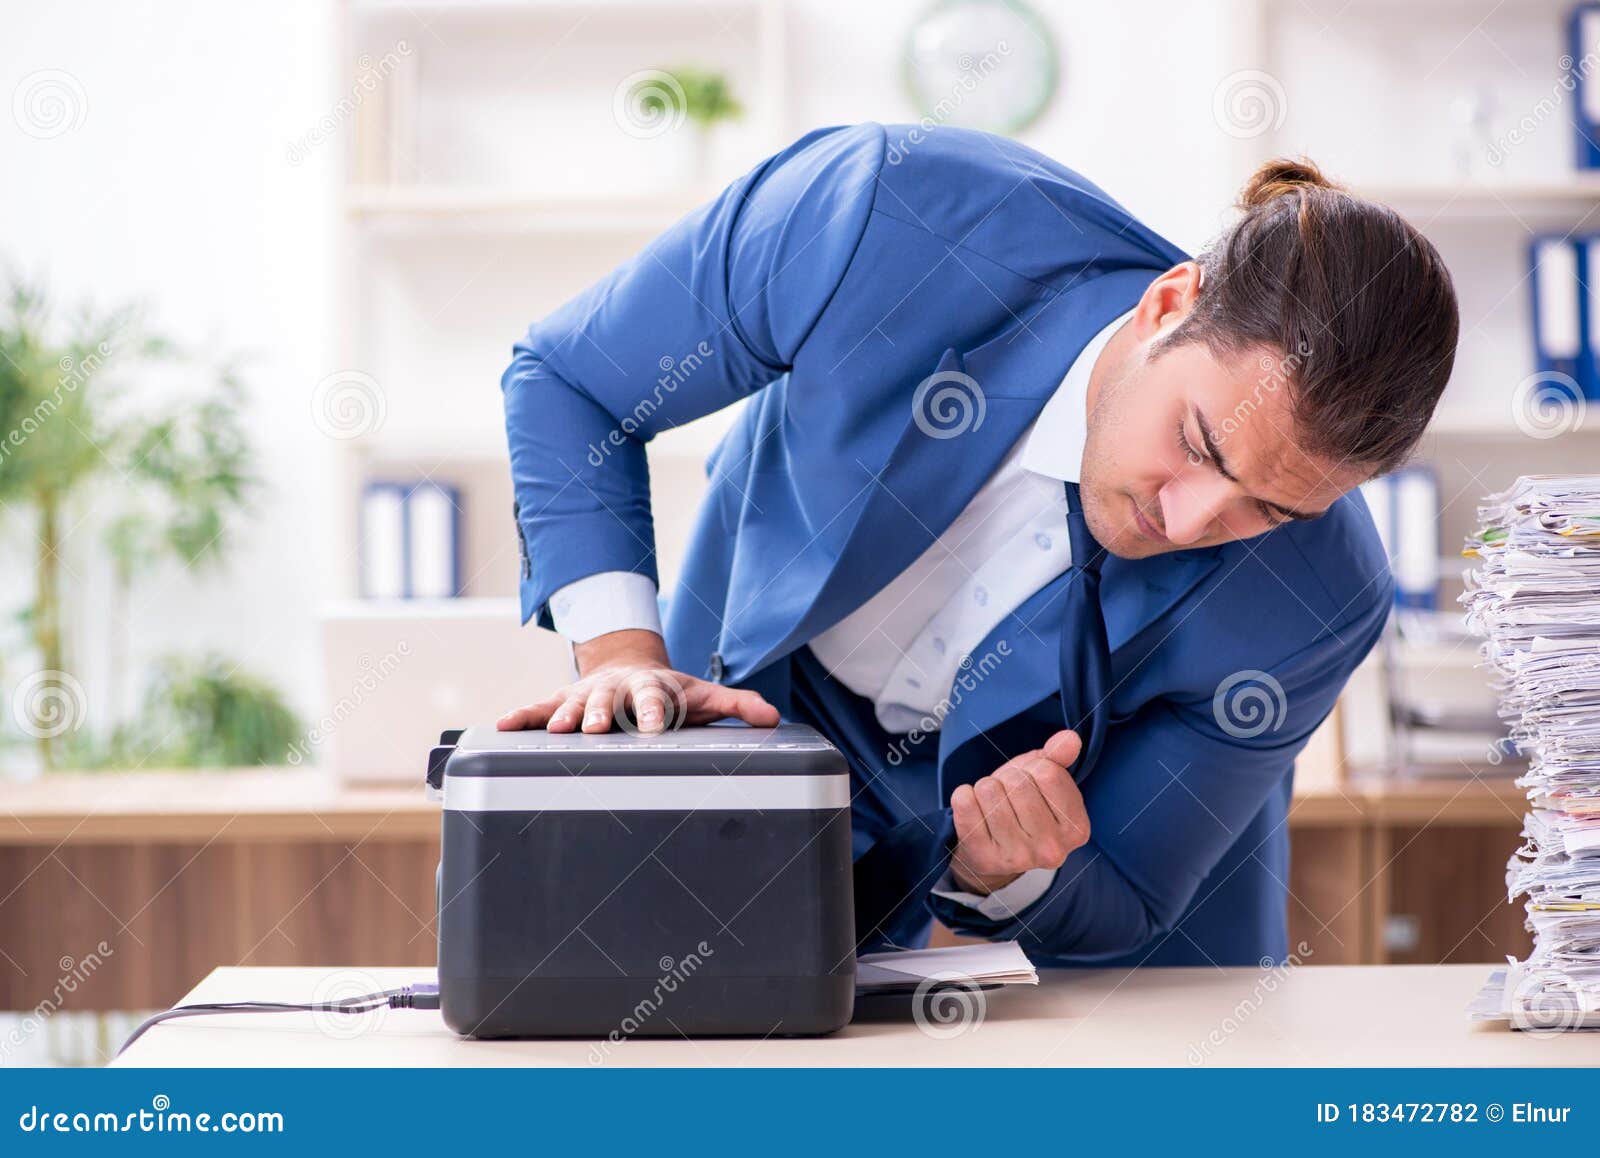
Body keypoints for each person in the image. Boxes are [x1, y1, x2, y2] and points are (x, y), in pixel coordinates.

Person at [494, 124, 1457, 966]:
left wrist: (1018, 878)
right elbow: (575, 380)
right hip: (754, 697)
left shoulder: (1318, 597)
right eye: (1198, 446)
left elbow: (1130, 891)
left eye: (1269, 511)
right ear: (1169, 304)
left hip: (1111, 953)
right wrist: (622, 653)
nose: (1191, 522)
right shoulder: (880, 216)